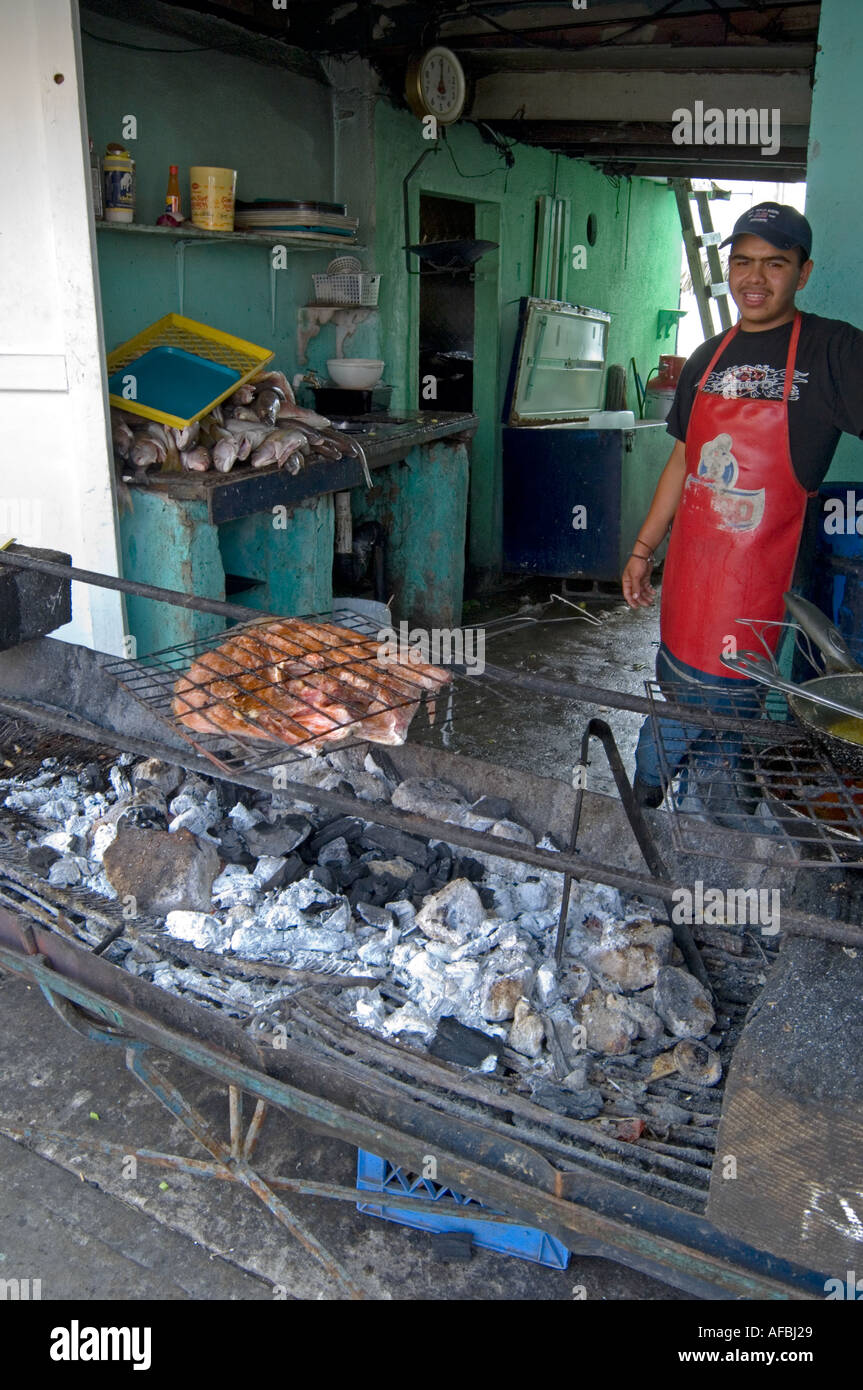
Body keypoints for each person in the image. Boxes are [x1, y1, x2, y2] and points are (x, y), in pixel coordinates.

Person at [623, 201, 863, 809]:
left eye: (775, 264)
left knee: (731, 707)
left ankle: (654, 796)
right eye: (743, 262)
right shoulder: (707, 357)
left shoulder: (832, 353)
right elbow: (682, 460)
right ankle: (676, 806)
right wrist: (644, 548)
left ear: (803, 274)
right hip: (692, 575)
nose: (754, 278)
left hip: (761, 581)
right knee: (683, 688)